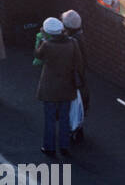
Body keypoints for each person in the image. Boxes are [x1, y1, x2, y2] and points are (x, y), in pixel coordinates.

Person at [35, 17, 83, 157]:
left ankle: (49, 147)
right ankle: (64, 146)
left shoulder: (47, 45)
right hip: (67, 87)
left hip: (49, 87)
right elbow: (79, 63)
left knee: (49, 118)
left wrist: (42, 38)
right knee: (64, 118)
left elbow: (37, 55)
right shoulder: (73, 43)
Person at [62, 9, 90, 143]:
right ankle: (77, 130)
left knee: (72, 107)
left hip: (73, 80)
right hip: (80, 79)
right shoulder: (80, 37)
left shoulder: (72, 41)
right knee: (80, 106)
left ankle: (72, 132)